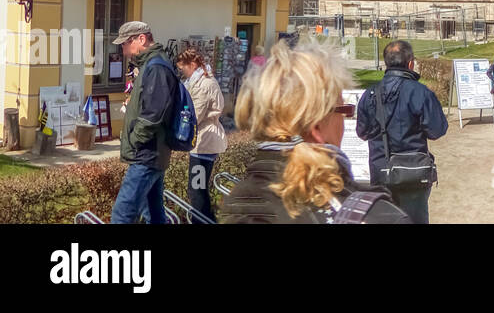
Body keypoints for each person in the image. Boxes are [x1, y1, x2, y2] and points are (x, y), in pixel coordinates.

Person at [224, 40, 411, 224]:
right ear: (316, 127)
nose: (344, 123)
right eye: (344, 111)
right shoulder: (374, 216)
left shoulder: (236, 203)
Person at [355, 40, 449, 224]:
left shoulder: (369, 94)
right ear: (410, 63)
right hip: (413, 172)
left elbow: (362, 132)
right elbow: (437, 130)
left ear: (386, 63)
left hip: (381, 171)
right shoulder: (421, 93)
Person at [110, 21, 177, 224]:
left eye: (125, 44)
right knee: (154, 214)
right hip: (152, 152)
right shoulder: (152, 64)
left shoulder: (156, 67)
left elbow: (154, 113)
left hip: (147, 153)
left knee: (122, 215)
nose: (123, 51)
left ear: (141, 39)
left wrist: (136, 139)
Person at [176, 48, 226, 222]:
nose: (183, 73)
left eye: (184, 69)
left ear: (192, 64)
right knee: (198, 188)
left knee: (197, 189)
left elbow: (195, 115)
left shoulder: (204, 84)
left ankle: (203, 220)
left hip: (204, 142)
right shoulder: (199, 81)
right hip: (203, 141)